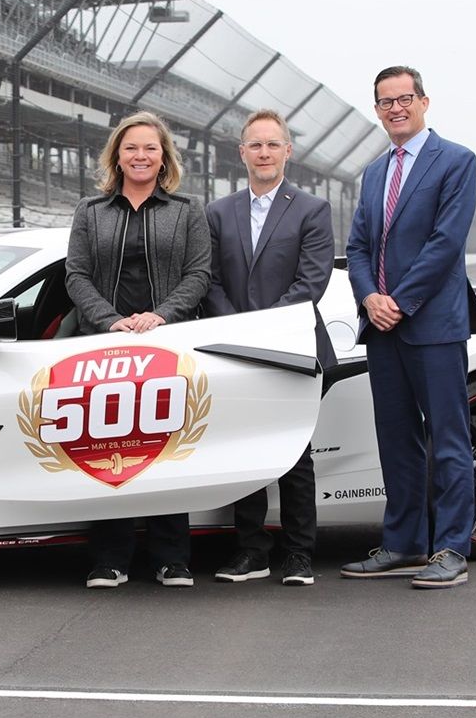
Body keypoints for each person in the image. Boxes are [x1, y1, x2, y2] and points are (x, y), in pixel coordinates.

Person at [342, 65, 476, 589]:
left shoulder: (457, 161)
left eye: (405, 98)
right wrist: (369, 297)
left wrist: (398, 301)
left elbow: (446, 244)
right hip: (382, 327)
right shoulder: (375, 172)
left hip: (434, 325)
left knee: (449, 440)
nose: (395, 108)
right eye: (385, 102)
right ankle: (403, 543)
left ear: (425, 102)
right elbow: (358, 247)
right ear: (377, 110)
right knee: (396, 440)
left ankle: (451, 549)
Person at [64, 110, 212, 589]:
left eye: (150, 147)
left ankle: (173, 558)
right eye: (131, 148)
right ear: (117, 156)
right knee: (109, 447)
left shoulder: (188, 210)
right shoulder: (90, 211)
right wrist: (111, 322)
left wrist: (161, 317)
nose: (141, 155)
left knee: (168, 447)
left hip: (167, 342)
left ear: (164, 155)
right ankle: (110, 558)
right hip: (106, 346)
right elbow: (76, 276)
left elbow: (198, 275)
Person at [201, 109, 334, 588]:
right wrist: (240, 329)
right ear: (242, 153)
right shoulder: (218, 212)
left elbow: (312, 280)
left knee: (296, 455)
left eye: (273, 144)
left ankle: (299, 555)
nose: (264, 152)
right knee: (245, 453)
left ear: (287, 151)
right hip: (235, 350)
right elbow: (210, 280)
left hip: (294, 347)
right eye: (255, 145)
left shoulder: (312, 210)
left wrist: (267, 326)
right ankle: (251, 553)